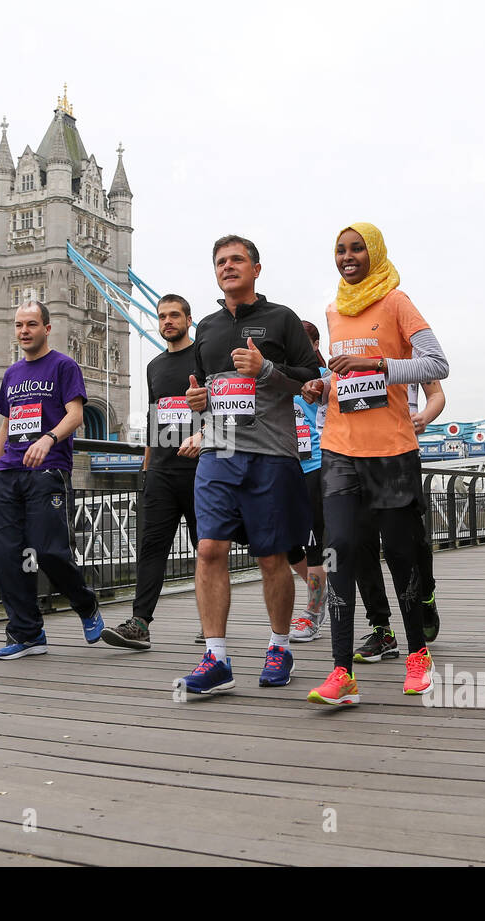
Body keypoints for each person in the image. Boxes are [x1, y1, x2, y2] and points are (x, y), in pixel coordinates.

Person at [304, 222, 449, 706]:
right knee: (340, 552)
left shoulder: (396, 302)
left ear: (375, 253)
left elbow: (436, 366)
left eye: (356, 249)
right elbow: (340, 378)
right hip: (340, 449)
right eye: (340, 250)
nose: (347, 257)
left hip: (391, 451)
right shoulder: (333, 311)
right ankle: (341, 671)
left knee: (403, 553)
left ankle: (417, 654)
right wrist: (321, 386)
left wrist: (380, 366)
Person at [179, 235, 318, 695]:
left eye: (237, 259)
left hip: (272, 455)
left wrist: (265, 370)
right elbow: (206, 394)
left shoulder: (282, 319)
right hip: (218, 453)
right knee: (209, 550)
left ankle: (280, 647)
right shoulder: (208, 328)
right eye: (220, 261)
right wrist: (197, 402)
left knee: (271, 557)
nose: (228, 266)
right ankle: (216, 657)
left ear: (257, 269)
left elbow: (311, 382)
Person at [0, 301, 105, 659]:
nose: (23, 331)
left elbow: (76, 415)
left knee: (49, 550)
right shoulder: (11, 374)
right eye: (19, 325)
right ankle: (27, 633)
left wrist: (48, 438)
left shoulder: (64, 366)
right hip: (9, 473)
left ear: (47, 329)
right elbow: (6, 426)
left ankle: (85, 604)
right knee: (6, 554)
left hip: (48, 469)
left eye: (31, 324)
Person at [101, 295, 203, 650]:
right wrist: (146, 470)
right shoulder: (155, 365)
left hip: (199, 470)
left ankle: (211, 620)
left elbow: (222, 408)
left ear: (188, 320)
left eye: (174, 315)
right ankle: (140, 623)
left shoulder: (203, 358)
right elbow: (152, 418)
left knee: (204, 548)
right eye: (161, 316)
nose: (167, 322)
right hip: (160, 471)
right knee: (151, 548)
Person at [352, 375, 446, 662]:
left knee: (409, 544)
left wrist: (424, 417)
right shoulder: (347, 346)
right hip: (354, 455)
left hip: (399, 455)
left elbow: (437, 395)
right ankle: (382, 630)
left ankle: (425, 596)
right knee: (359, 544)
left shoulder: (411, 348)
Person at [287, 320, 330, 643]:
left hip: (317, 467)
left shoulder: (327, 379)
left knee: (316, 546)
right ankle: (322, 590)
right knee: (287, 545)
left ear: (315, 345)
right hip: (284, 468)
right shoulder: (283, 377)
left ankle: (313, 612)